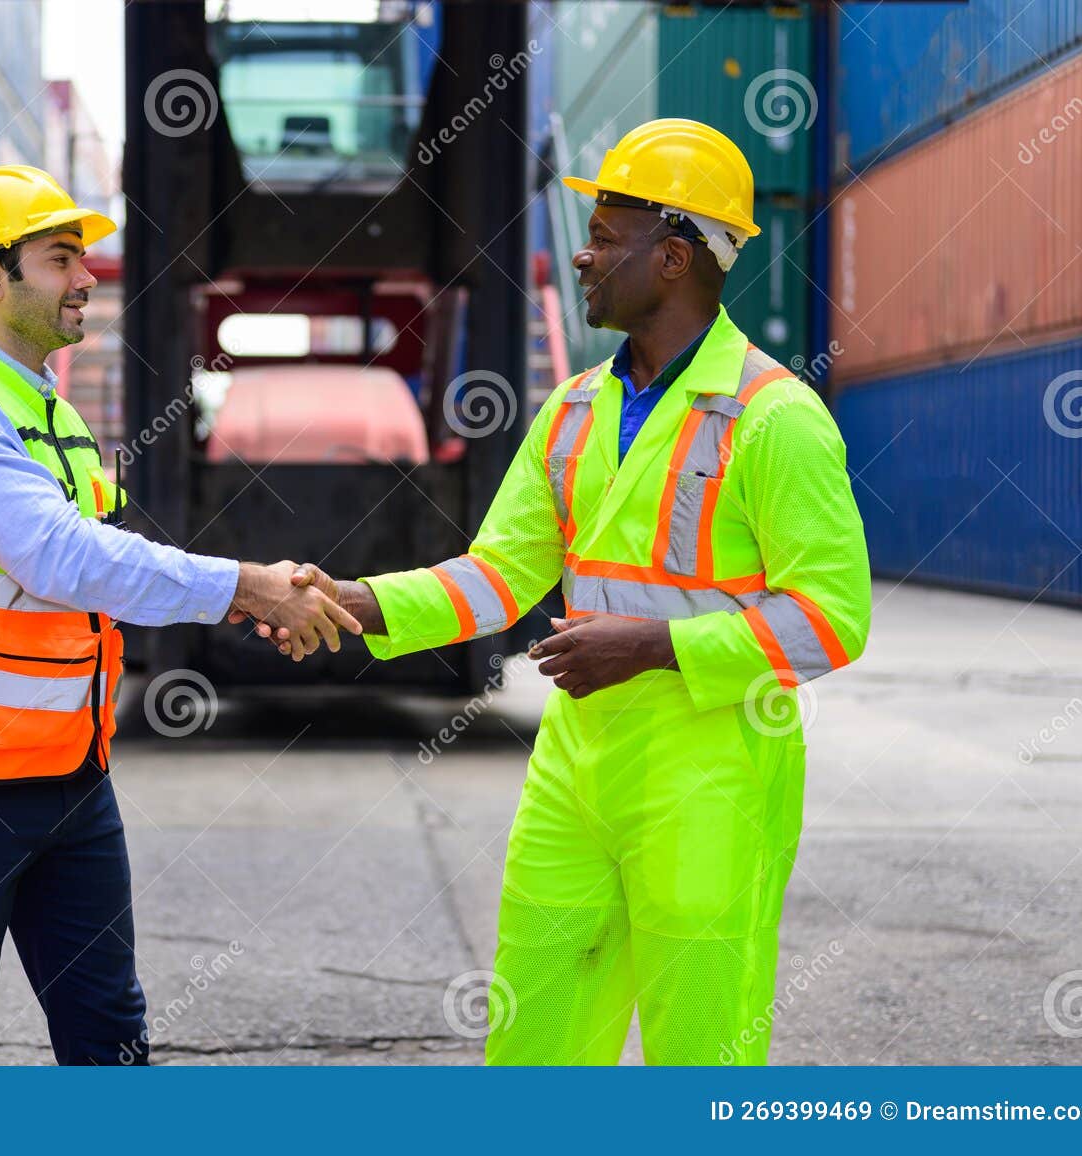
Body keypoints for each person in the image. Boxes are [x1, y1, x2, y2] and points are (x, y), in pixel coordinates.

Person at [276, 119, 872, 1064]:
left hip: (712, 773)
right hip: (578, 767)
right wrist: (358, 602)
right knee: (536, 1035)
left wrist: (653, 646)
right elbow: (499, 573)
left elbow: (831, 619)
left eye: (604, 235)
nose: (583, 256)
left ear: (673, 256)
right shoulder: (574, 408)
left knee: (701, 1045)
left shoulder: (774, 420)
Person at [0, 165, 360, 1065]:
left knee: (110, 1031)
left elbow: (109, 572)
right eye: (61, 259)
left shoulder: (51, 412)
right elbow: (63, 558)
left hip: (70, 774)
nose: (87, 277)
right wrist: (246, 586)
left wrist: (250, 596)